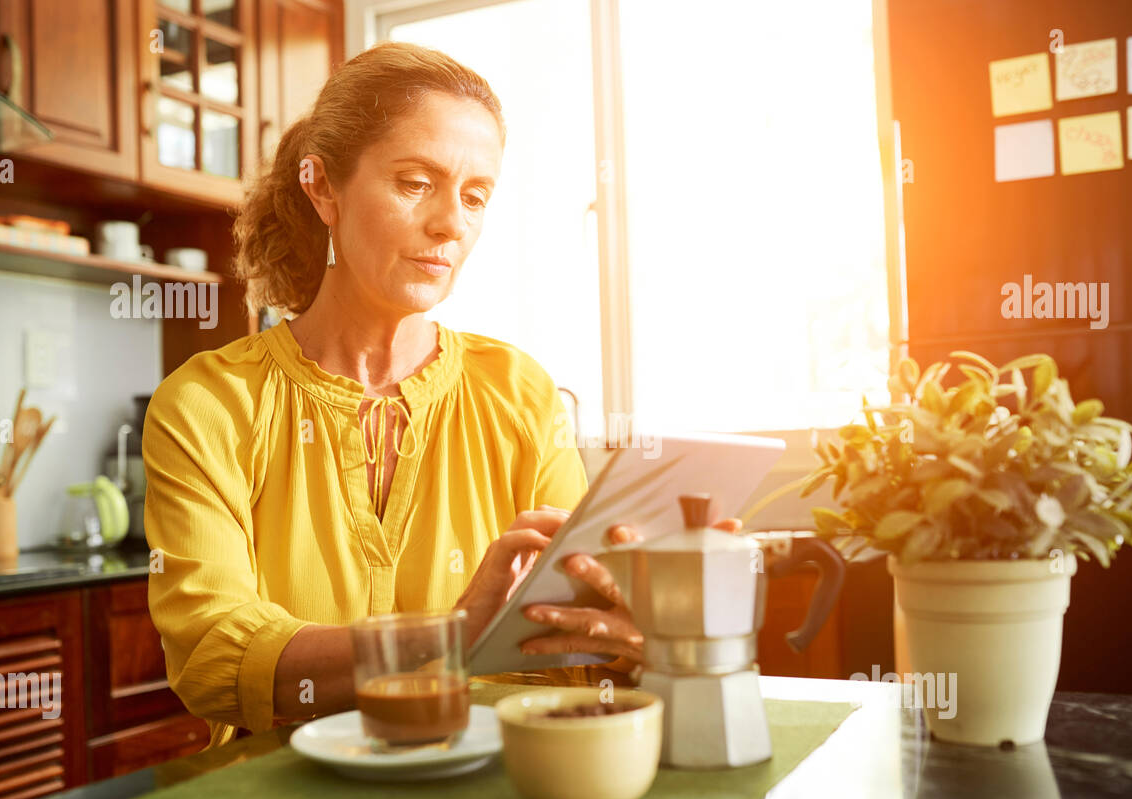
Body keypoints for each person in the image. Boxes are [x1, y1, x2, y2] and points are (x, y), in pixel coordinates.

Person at [143, 42, 737, 748]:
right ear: (323, 188)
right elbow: (214, 656)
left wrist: (648, 624)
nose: (452, 223)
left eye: (475, 195)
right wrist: (450, 636)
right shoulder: (207, 404)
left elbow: (571, 647)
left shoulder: (521, 393)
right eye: (416, 181)